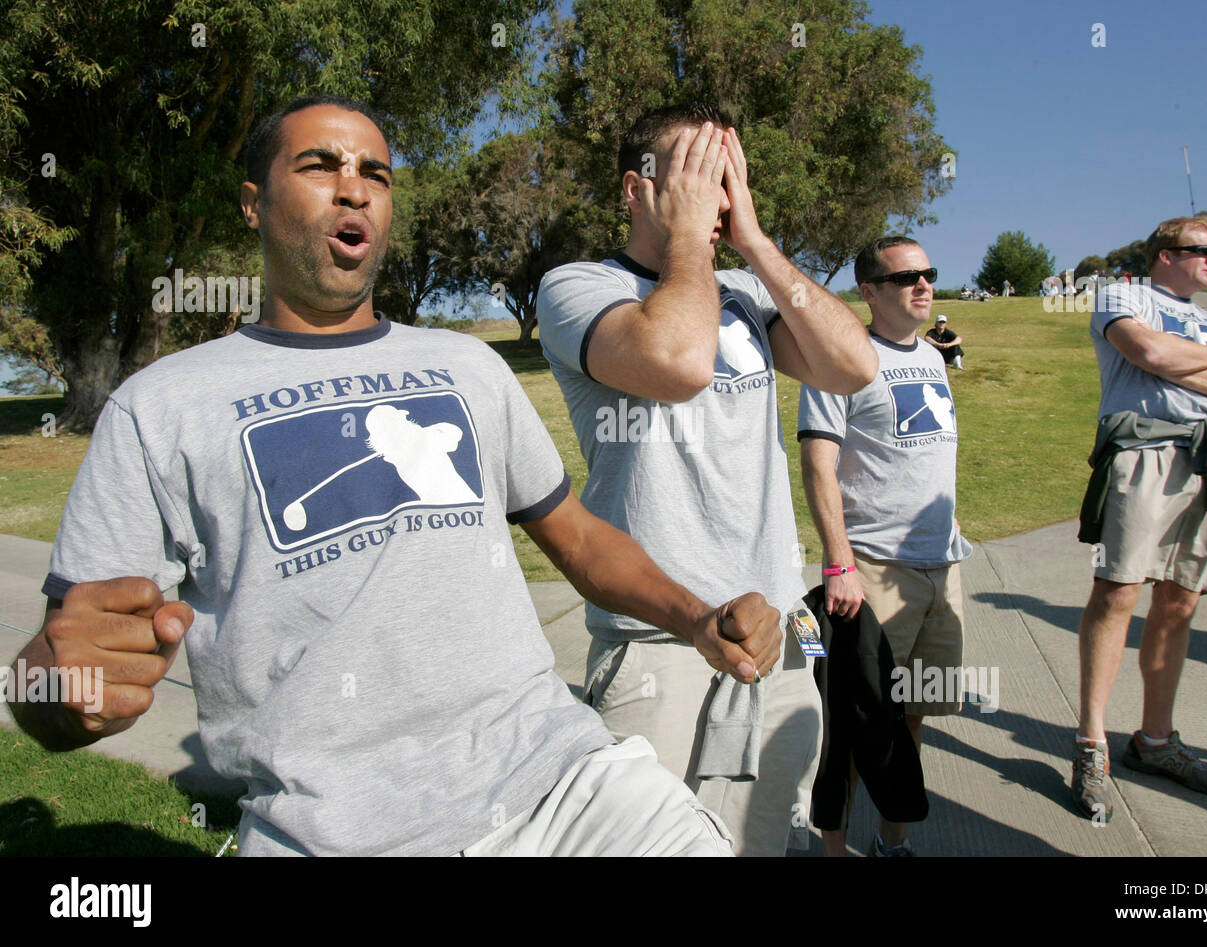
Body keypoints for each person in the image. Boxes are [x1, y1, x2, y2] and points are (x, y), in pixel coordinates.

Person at [5, 95, 796, 857]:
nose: (354, 186)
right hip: (333, 832)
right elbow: (63, 655)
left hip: (567, 786)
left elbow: (581, 541)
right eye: (320, 165)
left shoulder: (467, 366)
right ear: (253, 203)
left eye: (376, 174)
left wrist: (697, 616)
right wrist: (59, 692)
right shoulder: (160, 406)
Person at [536, 104, 877, 855]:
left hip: (778, 637)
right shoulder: (576, 288)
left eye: (726, 179)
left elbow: (855, 364)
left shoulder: (745, 294)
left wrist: (751, 240)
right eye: (695, 176)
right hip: (661, 644)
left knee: (757, 846)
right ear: (636, 188)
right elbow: (678, 363)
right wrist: (690, 239)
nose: (715, 199)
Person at [1072, 215, 1207, 822]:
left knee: (1182, 601)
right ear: (1165, 255)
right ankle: (1091, 745)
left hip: (1206, 458)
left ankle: (1155, 741)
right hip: (1141, 450)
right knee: (1119, 593)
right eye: (1202, 252)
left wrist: (1182, 361)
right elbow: (1147, 350)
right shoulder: (1123, 295)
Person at [799, 236, 971, 856]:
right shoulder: (838, 362)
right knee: (848, 723)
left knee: (913, 713)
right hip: (869, 568)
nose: (923, 285)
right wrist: (838, 563)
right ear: (869, 292)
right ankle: (833, 849)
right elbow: (818, 465)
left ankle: (892, 841)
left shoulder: (931, 356)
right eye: (906, 278)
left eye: (928, 273)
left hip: (939, 567)